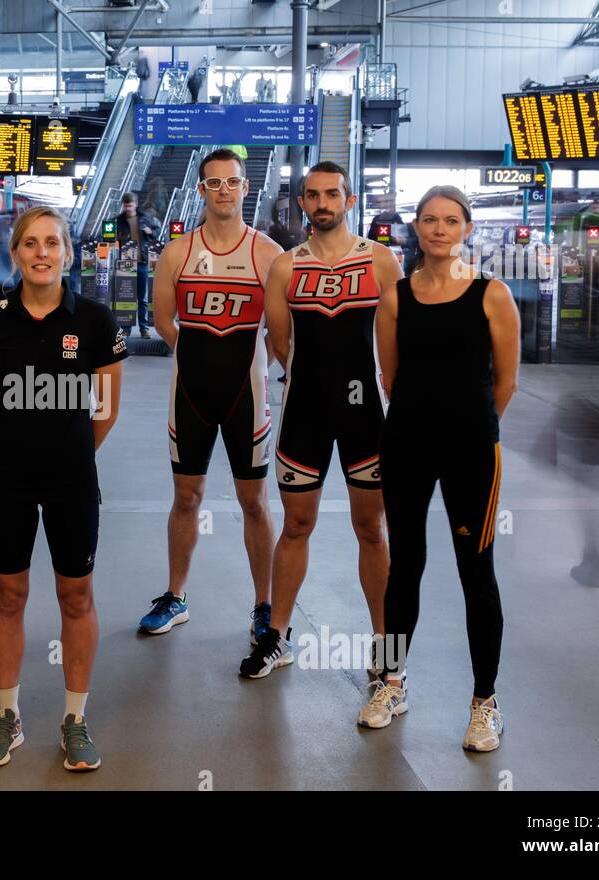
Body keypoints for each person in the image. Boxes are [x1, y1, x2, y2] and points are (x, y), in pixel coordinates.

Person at [0, 207, 127, 771]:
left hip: (72, 479)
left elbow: (104, 412)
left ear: (67, 254)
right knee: (8, 595)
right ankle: (7, 715)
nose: (40, 253)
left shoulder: (98, 322)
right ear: (15, 253)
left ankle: (74, 720)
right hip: (6, 478)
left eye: (51, 243)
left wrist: (67, 453)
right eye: (29, 243)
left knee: (75, 596)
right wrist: (14, 448)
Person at [359, 184, 520, 752]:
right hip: (405, 444)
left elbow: (505, 382)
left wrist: (471, 428)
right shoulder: (396, 297)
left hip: (472, 449)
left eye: (450, 221)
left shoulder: (491, 294)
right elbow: (390, 378)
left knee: (476, 572)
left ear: (466, 229)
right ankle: (392, 682)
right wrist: (422, 422)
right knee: (405, 565)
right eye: (428, 220)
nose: (438, 230)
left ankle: (484, 703)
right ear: (416, 228)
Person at [243, 161, 401, 678]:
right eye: (312, 196)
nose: (322, 203)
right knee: (296, 525)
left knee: (371, 528)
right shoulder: (286, 266)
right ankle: (278, 635)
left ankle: (384, 644)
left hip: (366, 417)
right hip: (306, 411)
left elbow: (393, 346)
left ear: (349, 200)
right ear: (303, 203)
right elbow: (282, 344)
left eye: (332, 194)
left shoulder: (381, 262)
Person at [140, 147, 283, 643]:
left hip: (248, 395)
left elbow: (283, 332)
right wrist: (198, 355)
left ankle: (265, 606)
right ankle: (176, 596)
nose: (223, 190)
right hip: (192, 394)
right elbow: (162, 321)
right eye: (214, 183)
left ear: (247, 187)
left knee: (254, 501)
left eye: (232, 182)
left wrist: (257, 362)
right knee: (186, 496)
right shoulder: (178, 252)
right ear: (200, 190)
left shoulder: (268, 253)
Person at [115, 191, 161, 338]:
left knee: (142, 298)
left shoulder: (144, 218)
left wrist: (149, 231)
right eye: (126, 205)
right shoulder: (118, 221)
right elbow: (108, 237)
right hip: (126, 262)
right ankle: (126, 328)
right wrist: (117, 239)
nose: (128, 208)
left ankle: (144, 328)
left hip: (142, 262)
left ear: (135, 204)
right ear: (123, 205)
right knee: (126, 298)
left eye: (130, 205)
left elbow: (156, 231)